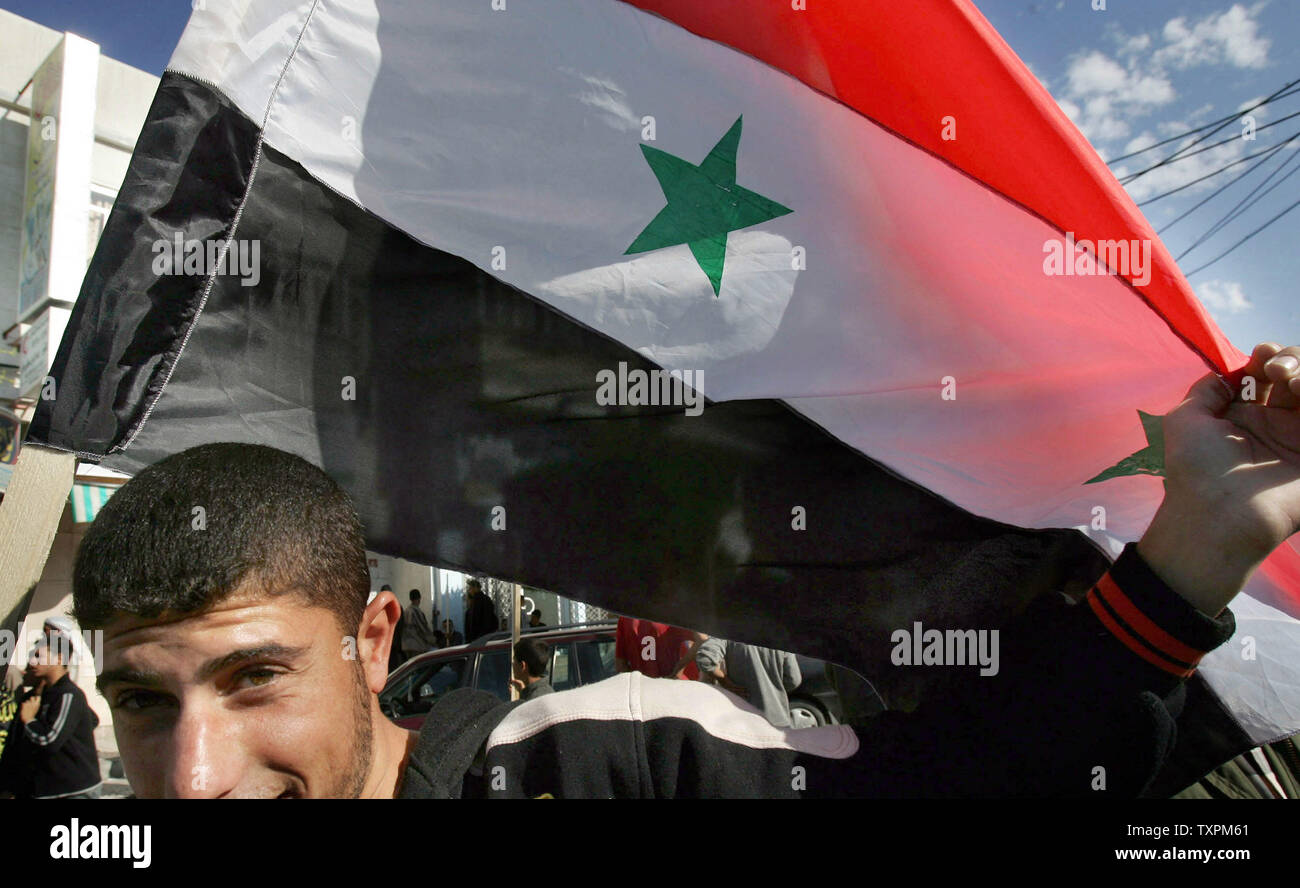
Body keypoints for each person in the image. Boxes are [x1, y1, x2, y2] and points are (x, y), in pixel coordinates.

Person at [66, 344, 1300, 796]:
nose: (195, 776)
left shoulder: (608, 756)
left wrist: (1195, 543)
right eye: (141, 699)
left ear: (373, 638)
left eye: (255, 677)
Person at [0, 633, 102, 799]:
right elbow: (15, 746)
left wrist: (30, 721)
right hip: (39, 789)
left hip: (72, 792)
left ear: (59, 658)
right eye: (33, 656)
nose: (32, 662)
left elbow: (49, 740)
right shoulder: (33, 698)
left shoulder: (69, 695)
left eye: (39, 656)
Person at [694, 638, 802, 727]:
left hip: (743, 720)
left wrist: (725, 682)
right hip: (777, 720)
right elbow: (794, 680)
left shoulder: (728, 632)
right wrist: (772, 689)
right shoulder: (780, 637)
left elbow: (705, 659)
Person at [613, 617, 696, 679]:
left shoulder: (625, 618)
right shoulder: (670, 612)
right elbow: (701, 640)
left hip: (643, 689)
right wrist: (678, 672)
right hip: (674, 685)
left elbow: (620, 665)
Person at [402, 590, 434, 658]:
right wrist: (432, 640)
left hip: (406, 645)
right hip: (417, 644)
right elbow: (422, 628)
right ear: (419, 599)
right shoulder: (416, 611)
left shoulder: (406, 611)